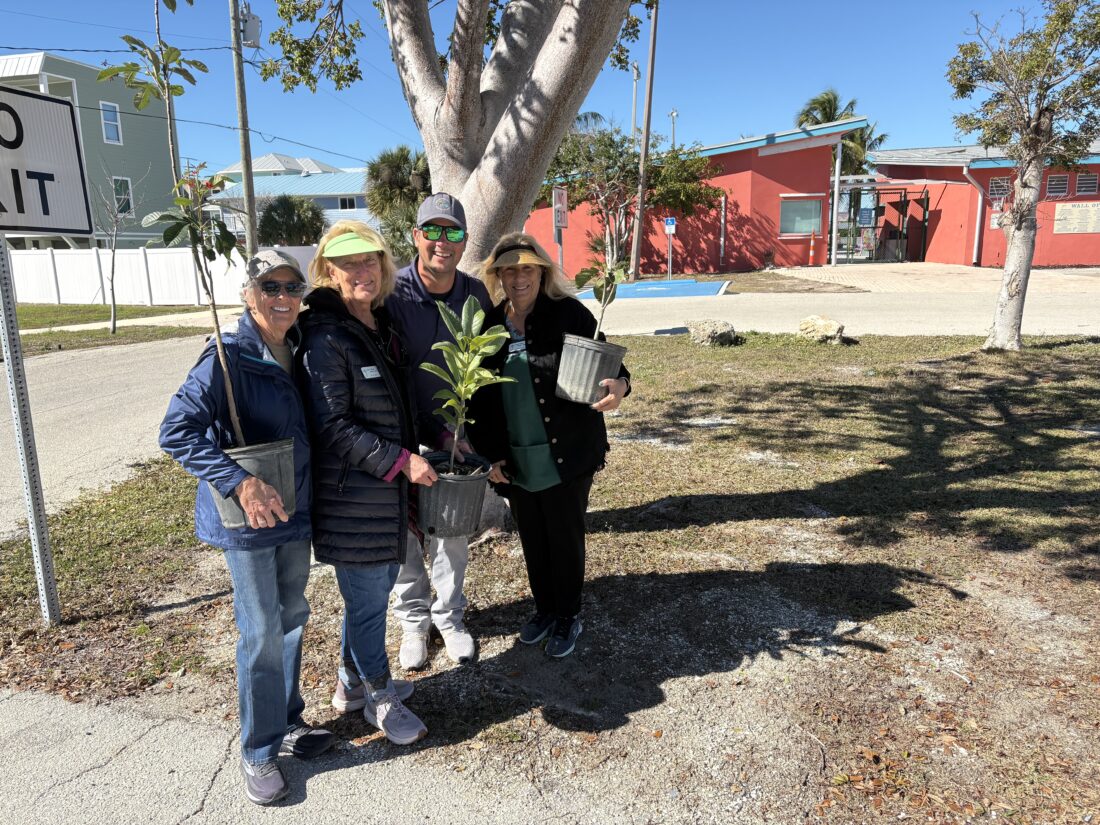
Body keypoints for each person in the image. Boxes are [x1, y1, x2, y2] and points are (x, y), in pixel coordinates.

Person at [159, 249, 332, 806]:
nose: (283, 299)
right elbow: (177, 431)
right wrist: (238, 481)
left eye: (292, 288)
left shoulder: (301, 348)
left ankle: (288, 720)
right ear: (247, 294)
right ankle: (259, 751)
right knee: (259, 630)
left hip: (294, 508)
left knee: (291, 617)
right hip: (250, 515)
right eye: (270, 288)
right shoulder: (226, 357)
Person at [296, 221, 437, 746]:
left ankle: (351, 685)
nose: (363, 271)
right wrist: (402, 463)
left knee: (366, 601)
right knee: (368, 603)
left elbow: (392, 407)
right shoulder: (325, 336)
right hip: (352, 498)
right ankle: (379, 698)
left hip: (380, 494)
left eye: (370, 260)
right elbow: (331, 426)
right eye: (349, 263)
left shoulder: (376, 324)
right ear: (328, 271)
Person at [467, 233, 631, 658]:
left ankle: (568, 615)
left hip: (567, 451)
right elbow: (479, 400)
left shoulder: (568, 313)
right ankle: (544, 610)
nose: (518, 276)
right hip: (515, 456)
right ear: (498, 274)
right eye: (509, 269)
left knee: (564, 535)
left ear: (540, 271)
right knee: (533, 538)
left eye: (527, 268)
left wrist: (620, 387)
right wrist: (489, 456)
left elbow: (616, 369)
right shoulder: (488, 327)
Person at [384, 192, 492, 669]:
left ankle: (449, 617)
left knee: (450, 533)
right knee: (405, 536)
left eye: (452, 232)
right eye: (433, 230)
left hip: (453, 439)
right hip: (399, 438)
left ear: (465, 241)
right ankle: (414, 621)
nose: (441, 241)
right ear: (416, 236)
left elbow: (490, 365)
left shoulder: (474, 293)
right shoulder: (393, 291)